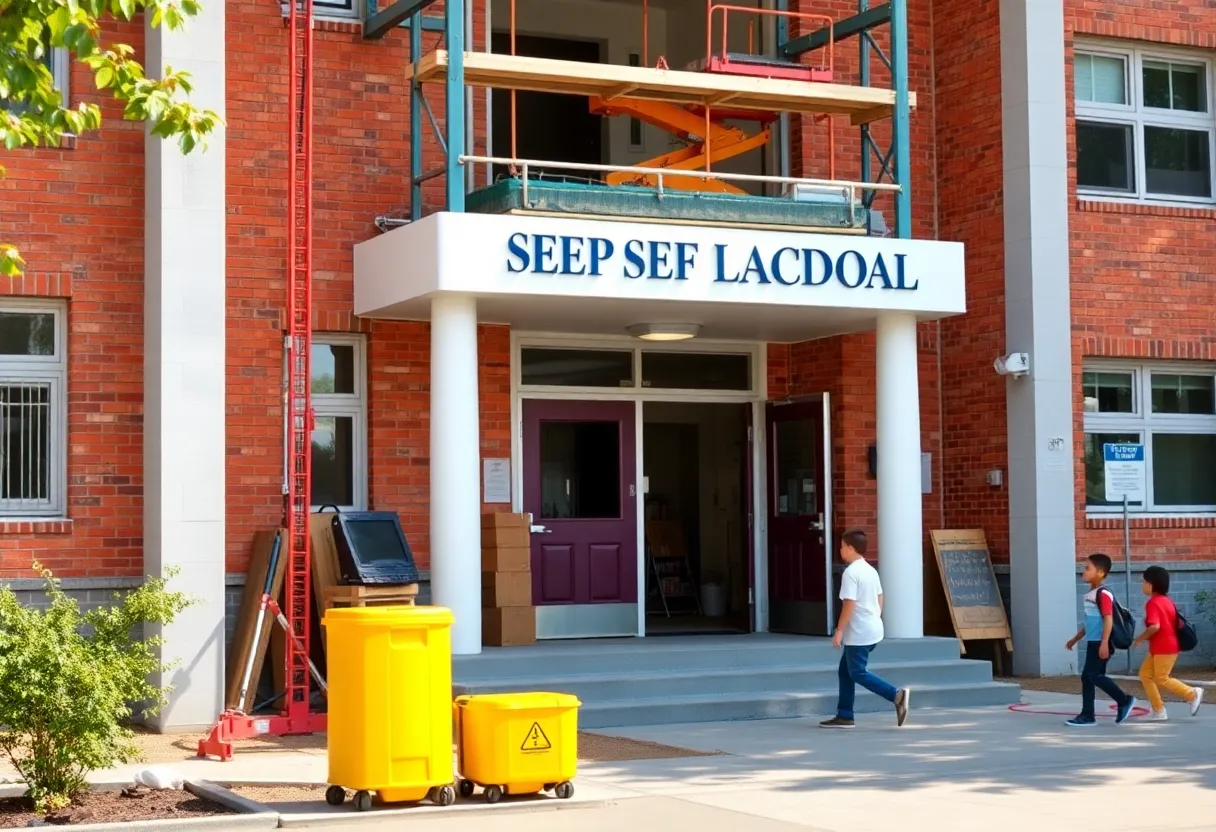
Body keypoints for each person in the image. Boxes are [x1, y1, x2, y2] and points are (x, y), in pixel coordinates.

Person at [819, 528, 910, 729]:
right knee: (845, 672)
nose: (840, 550)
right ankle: (845, 715)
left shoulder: (851, 573)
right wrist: (875, 616)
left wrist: (839, 630)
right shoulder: (870, 570)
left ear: (851, 549)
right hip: (872, 628)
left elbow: (849, 603)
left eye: (842, 547)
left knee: (857, 672)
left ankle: (896, 695)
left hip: (859, 633)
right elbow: (880, 596)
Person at [1065, 553, 1136, 727]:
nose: (1083, 571)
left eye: (1087, 568)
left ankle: (1123, 700)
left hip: (1100, 643)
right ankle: (1088, 714)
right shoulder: (1091, 594)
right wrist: (1075, 639)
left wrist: (1104, 643)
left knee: (1092, 676)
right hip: (1094, 642)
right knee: (1089, 677)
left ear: (1101, 572)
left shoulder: (1103, 594)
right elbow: (1090, 622)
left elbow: (1108, 619)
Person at [1132, 565, 1203, 721]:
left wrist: (1140, 638)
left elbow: (1155, 626)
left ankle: (1191, 693)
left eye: (1144, 582)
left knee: (1161, 678)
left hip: (1164, 648)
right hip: (1160, 647)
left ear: (1152, 584)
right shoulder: (1167, 601)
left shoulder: (1153, 603)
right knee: (1145, 675)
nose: (1142, 585)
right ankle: (1158, 710)